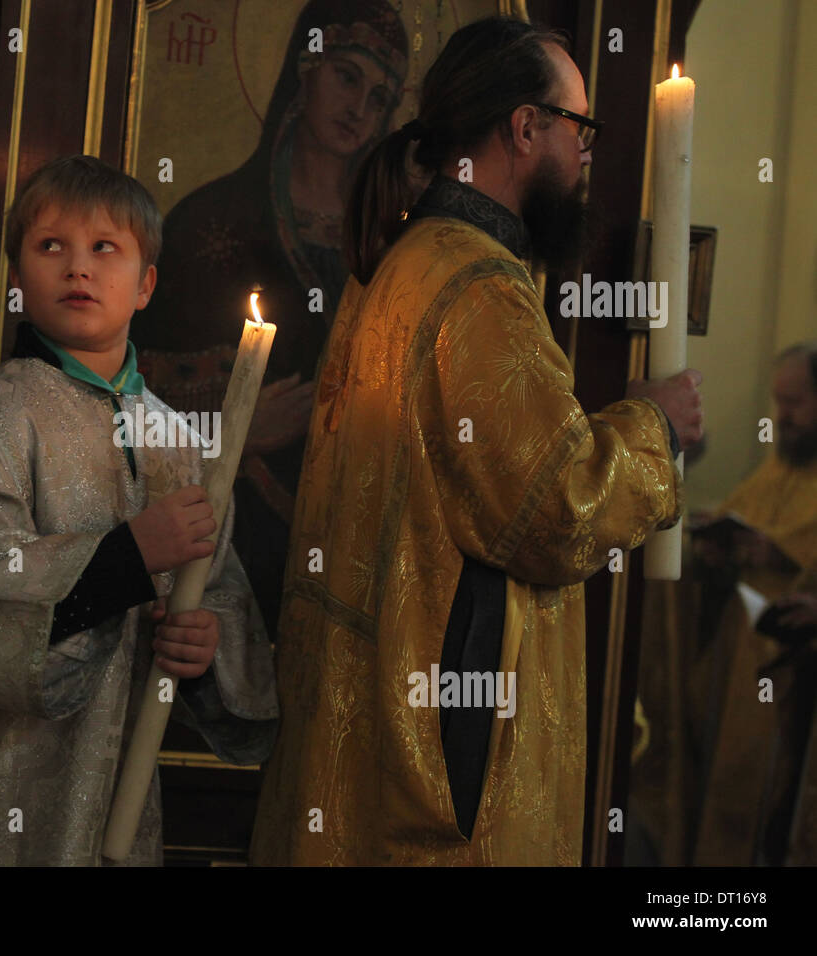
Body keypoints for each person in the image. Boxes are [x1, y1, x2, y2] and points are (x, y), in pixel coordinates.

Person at [248, 16, 703, 865]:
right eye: (580, 127)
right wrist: (655, 428)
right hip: (443, 778)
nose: (588, 153)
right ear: (525, 127)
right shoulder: (481, 286)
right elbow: (553, 508)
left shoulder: (400, 257)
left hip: (366, 741)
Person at [0, 155, 278, 865]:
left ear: (145, 284)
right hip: (3, 772)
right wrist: (125, 559)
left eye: (104, 248)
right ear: (18, 280)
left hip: (121, 785)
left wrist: (204, 650)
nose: (78, 268)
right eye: (51, 247)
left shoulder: (181, 442)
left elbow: (222, 598)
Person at [133, 0, 409, 635]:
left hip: (358, 525)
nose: (360, 109)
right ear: (305, 68)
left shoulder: (392, 241)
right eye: (347, 76)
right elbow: (136, 395)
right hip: (233, 523)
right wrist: (236, 432)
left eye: (380, 96)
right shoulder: (210, 223)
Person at [687, 342, 817, 864]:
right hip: (739, 666)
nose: (781, 416)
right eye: (777, 400)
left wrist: (779, 550)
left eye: (795, 402)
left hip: (791, 679)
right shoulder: (776, 468)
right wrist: (715, 546)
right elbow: (739, 517)